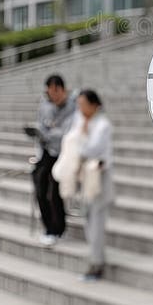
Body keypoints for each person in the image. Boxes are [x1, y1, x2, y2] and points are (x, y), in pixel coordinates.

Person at [53, 89, 113, 280]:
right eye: (78, 104)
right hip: (86, 178)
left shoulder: (102, 125)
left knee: (96, 223)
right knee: (89, 220)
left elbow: (91, 149)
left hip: (99, 178)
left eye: (83, 104)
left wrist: (81, 138)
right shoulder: (81, 121)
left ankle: (97, 264)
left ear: (94, 105)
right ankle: (95, 260)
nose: (80, 108)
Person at [32, 74, 76, 246]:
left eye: (55, 91)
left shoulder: (72, 106)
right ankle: (49, 228)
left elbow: (67, 132)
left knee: (54, 192)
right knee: (40, 189)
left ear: (62, 90)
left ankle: (58, 228)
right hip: (46, 152)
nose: (53, 96)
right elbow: (42, 125)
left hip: (63, 154)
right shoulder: (45, 105)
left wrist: (49, 132)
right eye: (49, 92)